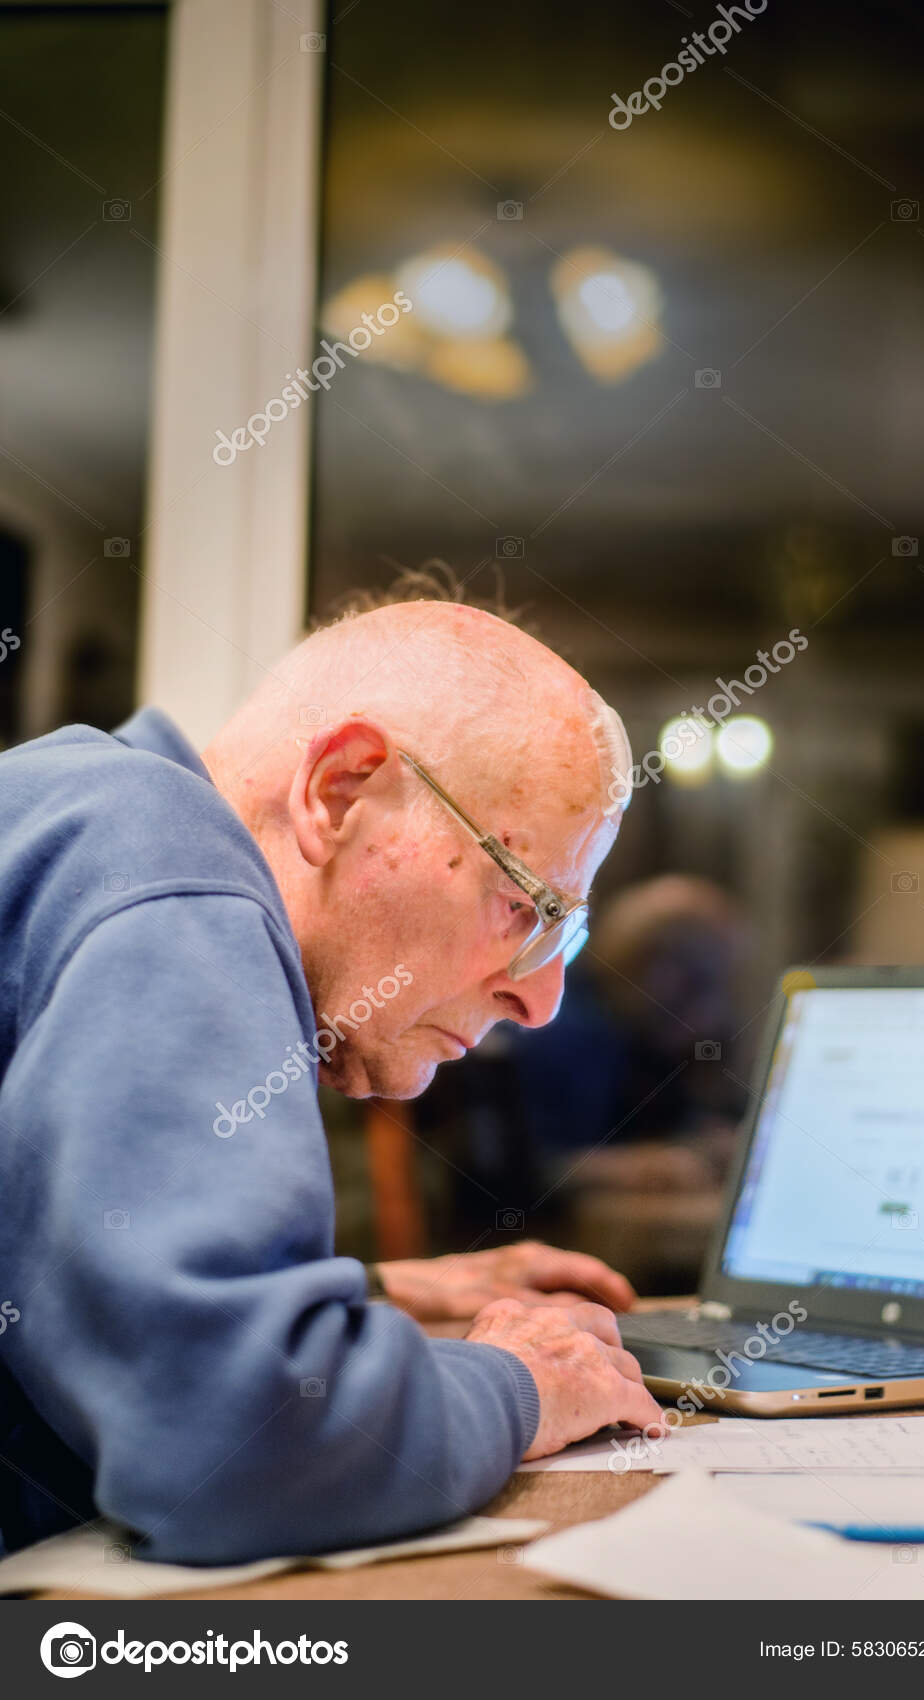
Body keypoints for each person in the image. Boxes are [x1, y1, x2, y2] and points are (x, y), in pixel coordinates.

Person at [0, 583, 663, 1563]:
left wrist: (374, 1291)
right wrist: (518, 1381)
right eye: (526, 906)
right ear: (340, 789)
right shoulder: (173, 870)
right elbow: (234, 1445)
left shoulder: (77, 811)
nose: (544, 998)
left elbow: (59, 1291)